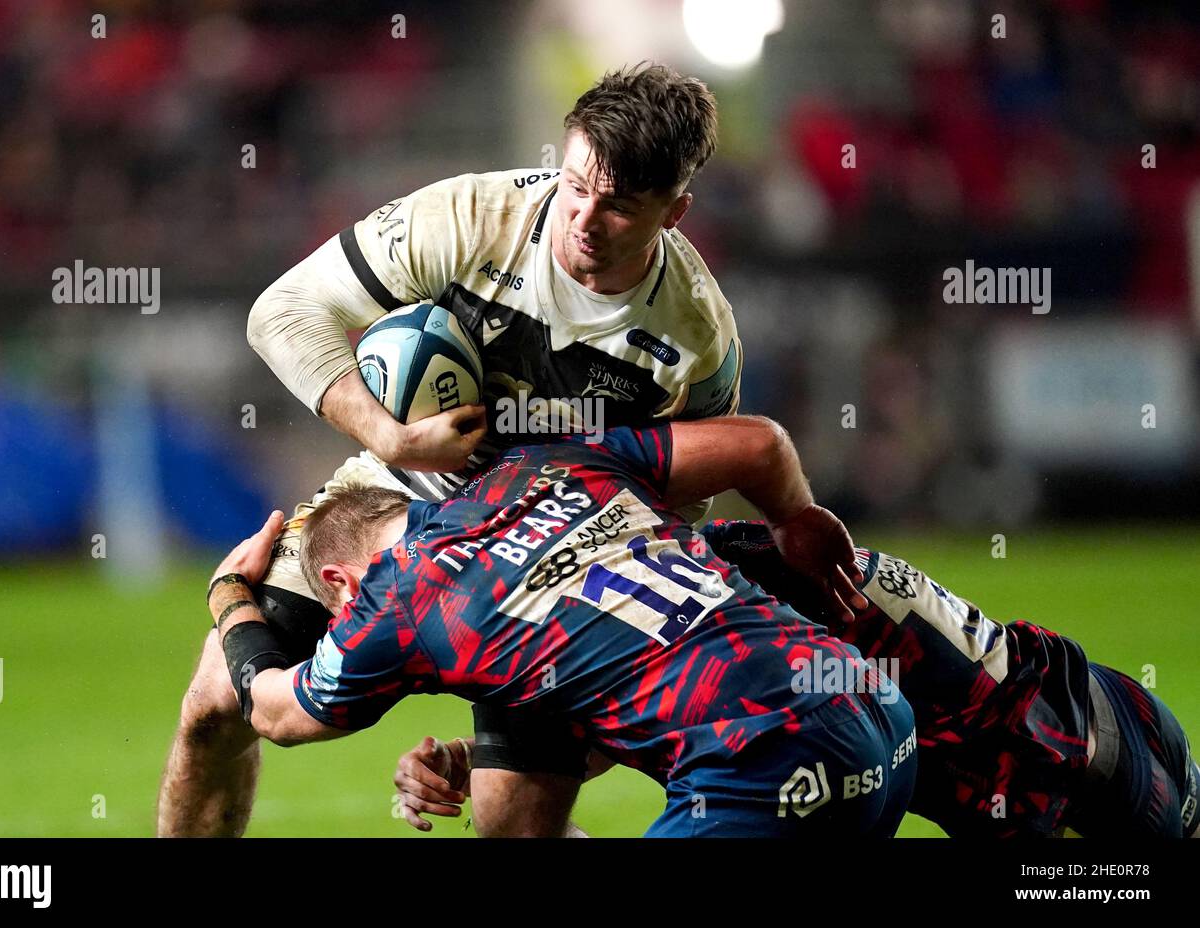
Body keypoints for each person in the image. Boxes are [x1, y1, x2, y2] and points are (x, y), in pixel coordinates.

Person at [160, 62, 759, 836]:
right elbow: (284, 310)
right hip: (399, 498)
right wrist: (391, 435)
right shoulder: (471, 217)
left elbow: (676, 514)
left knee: (511, 826)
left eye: (618, 207)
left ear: (673, 212)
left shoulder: (698, 340)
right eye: (575, 184)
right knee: (214, 703)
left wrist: (574, 733)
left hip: (554, 557)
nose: (583, 218)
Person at [204, 417, 915, 837]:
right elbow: (758, 444)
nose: (346, 626)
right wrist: (794, 517)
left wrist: (232, 597)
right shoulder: (551, 462)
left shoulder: (397, 594)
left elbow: (276, 712)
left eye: (339, 614)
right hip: (881, 713)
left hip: (768, 761)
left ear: (339, 583)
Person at [395, 521, 1199, 839]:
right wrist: (489, 757)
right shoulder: (681, 590)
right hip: (1069, 727)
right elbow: (666, 707)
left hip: (1080, 757)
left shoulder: (738, 590)